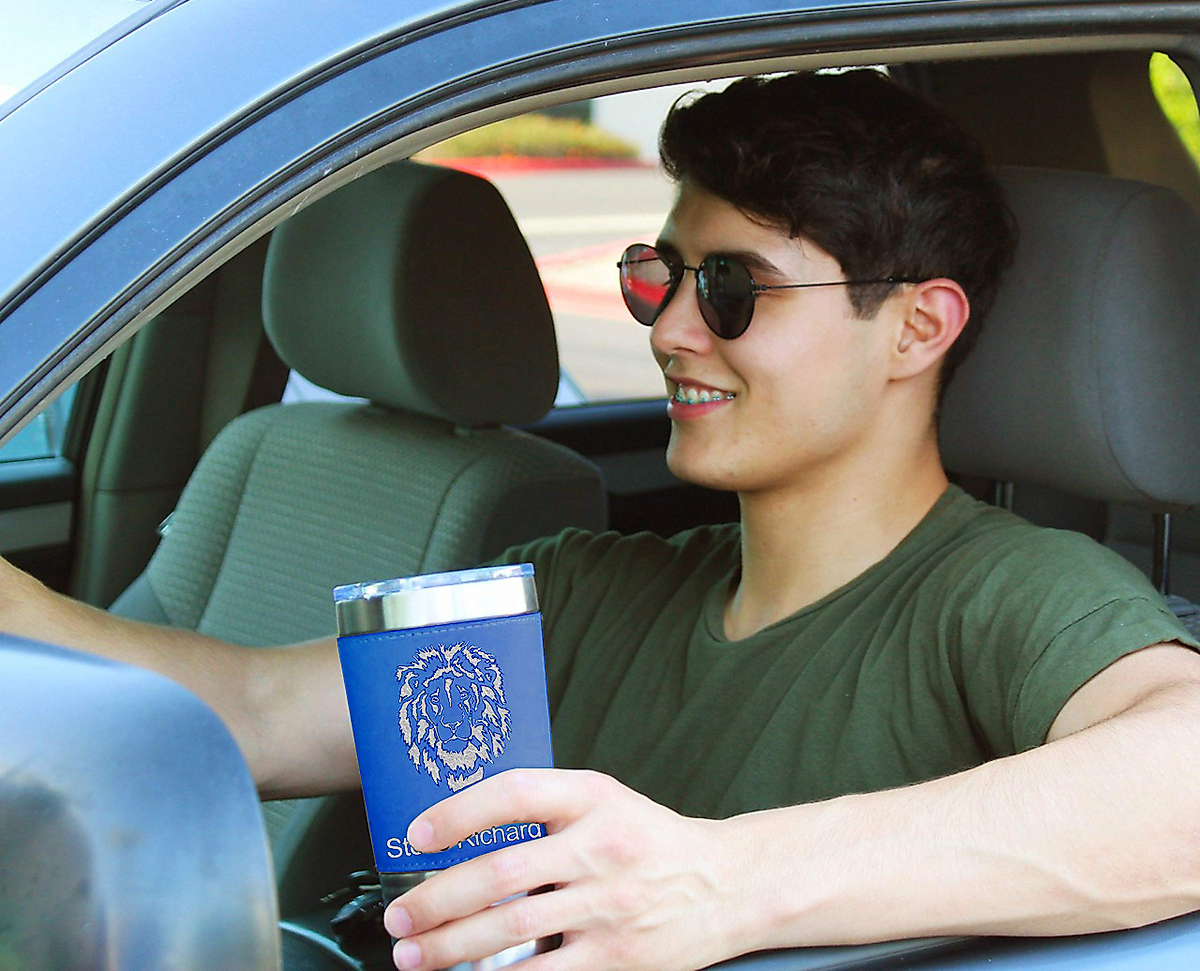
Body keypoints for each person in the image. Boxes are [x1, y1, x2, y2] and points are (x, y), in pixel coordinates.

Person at [3, 70, 1200, 971]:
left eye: (732, 288)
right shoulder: (579, 591)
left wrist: (718, 880)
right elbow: (252, 715)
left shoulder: (1008, 597)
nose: (672, 327)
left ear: (918, 328)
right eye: (657, 275)